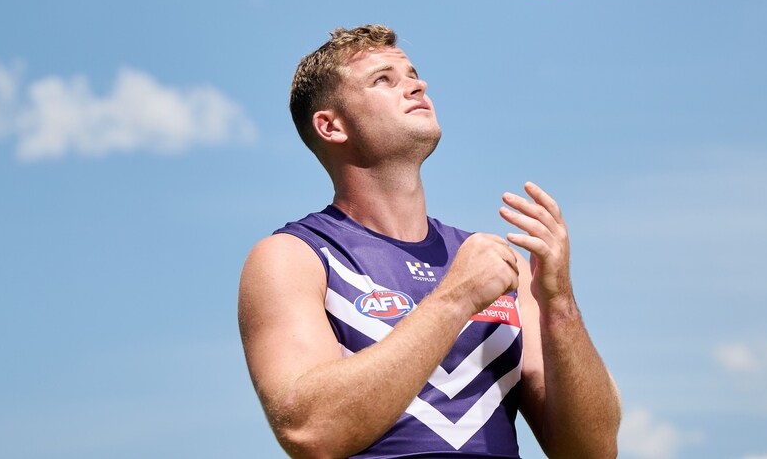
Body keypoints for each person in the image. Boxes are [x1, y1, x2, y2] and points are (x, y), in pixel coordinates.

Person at [238, 24, 621, 458]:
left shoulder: (497, 266)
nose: (417, 85)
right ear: (331, 126)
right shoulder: (294, 257)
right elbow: (310, 432)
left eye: (413, 74)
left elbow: (593, 450)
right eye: (384, 79)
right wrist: (455, 299)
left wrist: (560, 304)